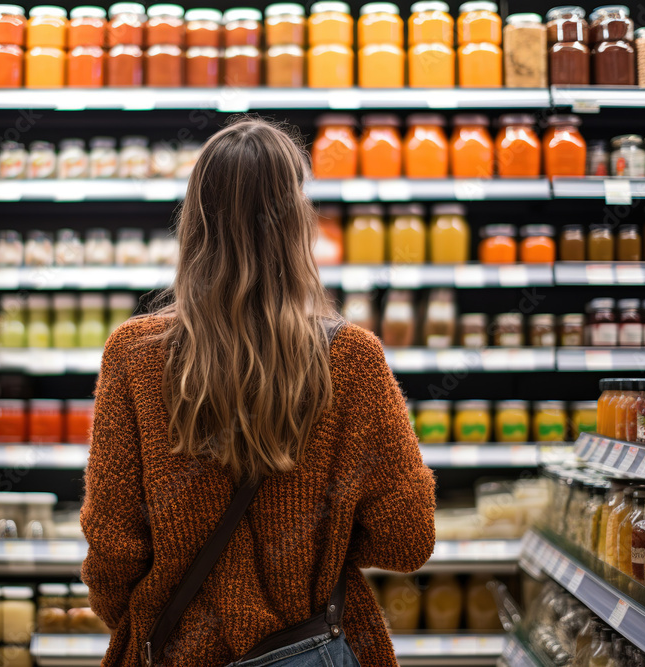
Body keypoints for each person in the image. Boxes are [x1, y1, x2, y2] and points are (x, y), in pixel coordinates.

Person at [81, 118, 435, 666]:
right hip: (308, 646)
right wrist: (327, 537)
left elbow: (112, 552)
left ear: (194, 222)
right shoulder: (352, 358)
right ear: (298, 223)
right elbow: (408, 539)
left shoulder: (135, 354)